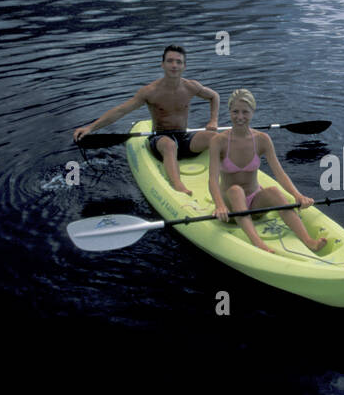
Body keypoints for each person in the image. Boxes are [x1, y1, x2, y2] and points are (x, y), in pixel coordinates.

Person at [73, 46, 220, 193]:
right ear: (162, 65)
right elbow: (121, 110)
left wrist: (213, 120)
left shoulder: (191, 86)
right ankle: (178, 185)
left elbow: (214, 96)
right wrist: (90, 128)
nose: (174, 65)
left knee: (215, 137)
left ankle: (235, 173)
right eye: (170, 61)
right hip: (160, 139)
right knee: (169, 145)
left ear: (184, 66)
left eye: (178, 62)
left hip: (184, 137)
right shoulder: (150, 91)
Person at [209, 88, 326, 253]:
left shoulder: (262, 139)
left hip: (256, 205)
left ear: (252, 112)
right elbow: (213, 179)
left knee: (273, 191)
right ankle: (259, 244)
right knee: (235, 191)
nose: (240, 117)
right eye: (235, 111)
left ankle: (309, 241)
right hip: (230, 207)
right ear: (229, 111)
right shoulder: (218, 141)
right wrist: (220, 205)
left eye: (245, 112)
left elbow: (279, 173)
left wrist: (298, 195)